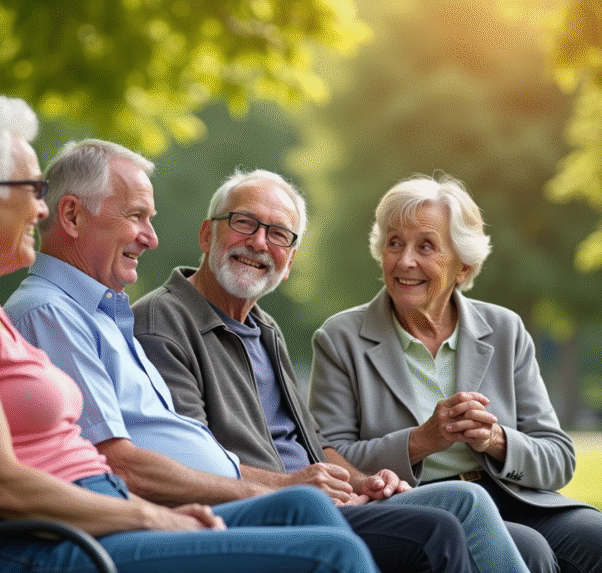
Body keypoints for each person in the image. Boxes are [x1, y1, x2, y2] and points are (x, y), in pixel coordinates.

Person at [0, 95, 381, 573]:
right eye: (33, 191)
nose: (42, 209)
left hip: (82, 524)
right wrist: (151, 517)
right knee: (329, 555)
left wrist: (141, 510)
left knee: (302, 508)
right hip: (28, 548)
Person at [131, 168, 532, 573]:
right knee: (436, 531)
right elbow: (186, 463)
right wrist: (290, 486)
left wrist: (362, 481)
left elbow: (314, 445)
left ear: (288, 262)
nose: (258, 242)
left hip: (319, 500)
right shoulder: (161, 324)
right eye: (244, 223)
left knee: (471, 502)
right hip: (270, 515)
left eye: (278, 235)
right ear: (206, 235)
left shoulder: (264, 328)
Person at [306, 173, 602, 573]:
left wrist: (496, 439)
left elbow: (558, 457)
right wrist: (421, 440)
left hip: (513, 495)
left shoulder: (505, 329)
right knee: (529, 549)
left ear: (463, 266)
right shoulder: (340, 338)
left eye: (426, 246)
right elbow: (329, 455)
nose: (404, 261)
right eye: (394, 243)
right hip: (425, 506)